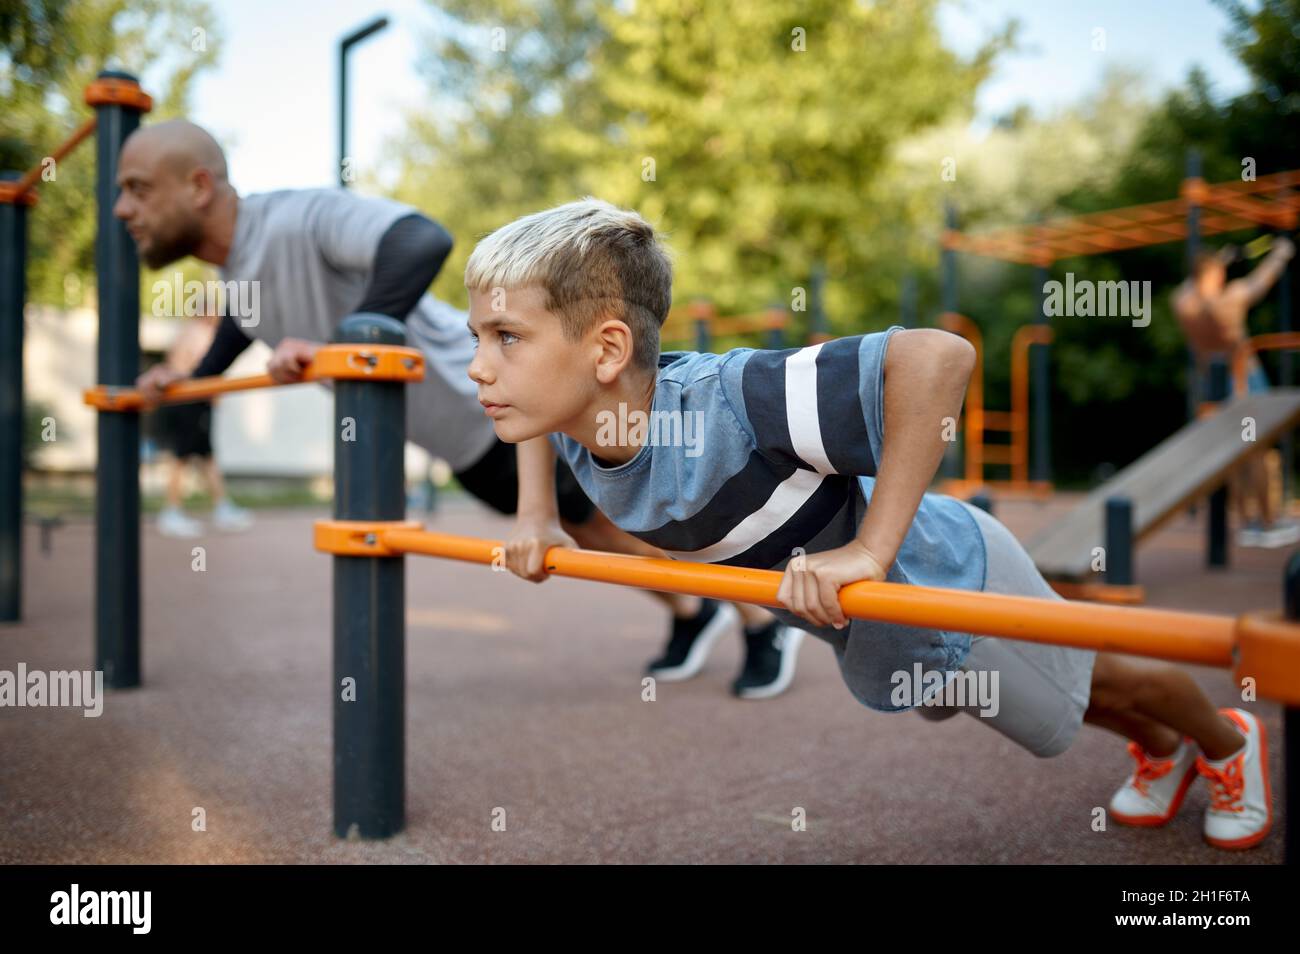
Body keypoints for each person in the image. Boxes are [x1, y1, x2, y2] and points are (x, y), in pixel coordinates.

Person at [475, 197, 1271, 850]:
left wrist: (870, 549)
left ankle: (1231, 740)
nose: (479, 367)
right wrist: (538, 516)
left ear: (608, 349)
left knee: (1101, 678)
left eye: (506, 338)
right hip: (877, 628)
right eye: (478, 338)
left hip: (948, 576)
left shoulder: (736, 403)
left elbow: (939, 359)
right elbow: (537, 426)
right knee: (1071, 702)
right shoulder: (577, 417)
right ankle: (1165, 749)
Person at [113, 120, 799, 697]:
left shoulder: (300, 215)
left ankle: (762, 620)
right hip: (456, 436)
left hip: (499, 406)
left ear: (198, 186)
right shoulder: (238, 269)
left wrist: (347, 337)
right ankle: (691, 610)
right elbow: (245, 319)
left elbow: (421, 240)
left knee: (634, 524)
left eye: (136, 189)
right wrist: (187, 377)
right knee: (592, 537)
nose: (122, 209)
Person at [1173, 236, 1298, 547]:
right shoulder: (1228, 300)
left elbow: (1187, 289)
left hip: (1214, 386)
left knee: (1234, 456)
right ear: (1214, 274)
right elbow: (1260, 282)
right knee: (1261, 455)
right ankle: (1267, 523)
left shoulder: (1186, 305)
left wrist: (1220, 261)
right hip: (1245, 382)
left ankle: (1246, 521)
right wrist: (1280, 256)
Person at [151, 312, 253, 537]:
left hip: (185, 398)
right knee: (182, 457)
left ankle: (221, 506)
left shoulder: (185, 331)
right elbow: (206, 369)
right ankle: (173, 510)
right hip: (193, 400)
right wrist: (213, 396)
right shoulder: (202, 333)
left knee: (206, 456)